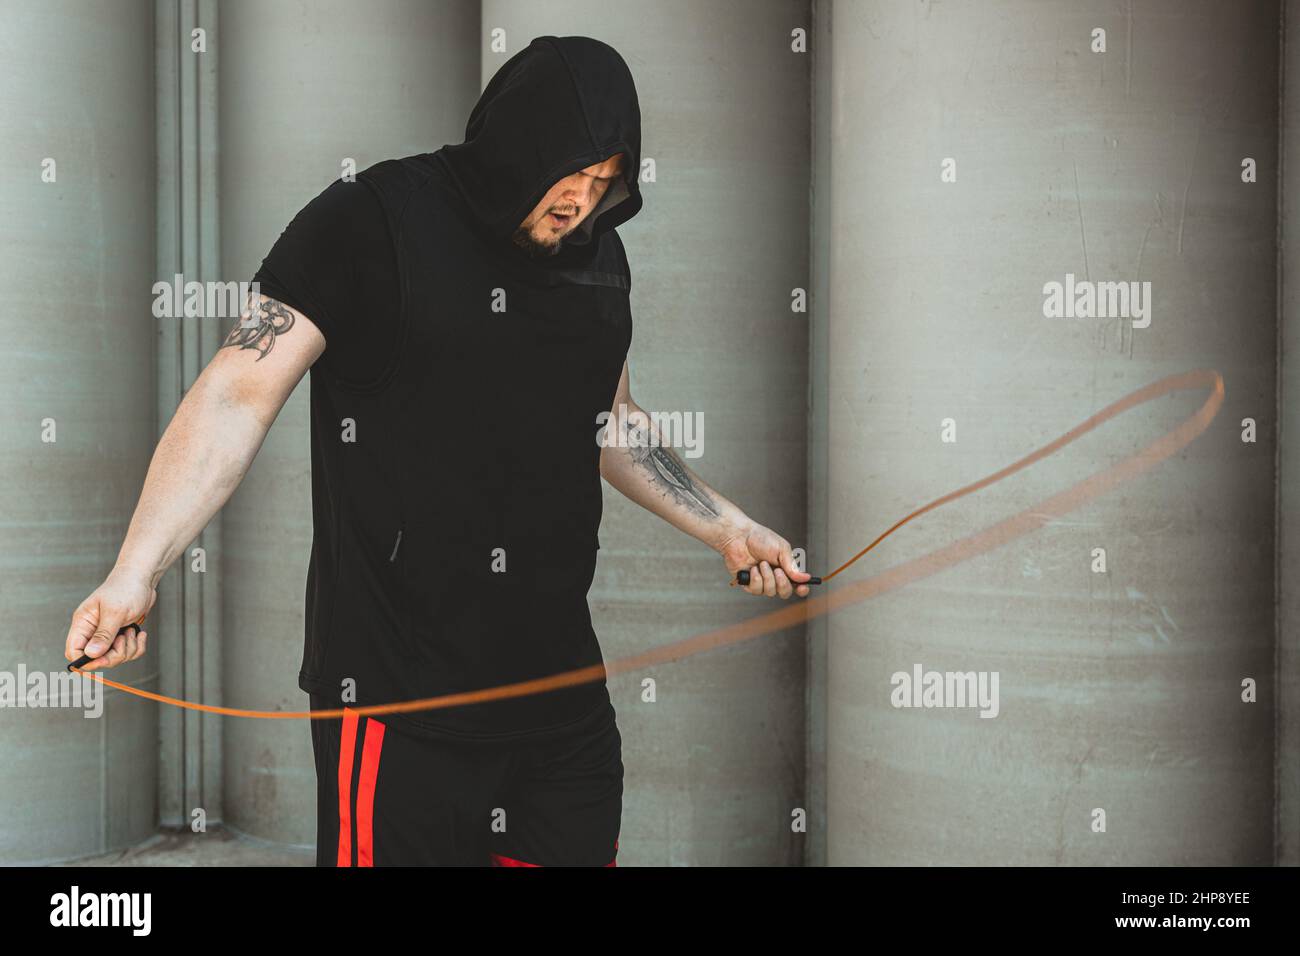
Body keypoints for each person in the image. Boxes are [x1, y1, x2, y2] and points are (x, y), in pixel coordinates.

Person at [63, 34, 811, 867]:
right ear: (520, 144)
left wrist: (728, 528)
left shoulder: (597, 256)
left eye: (606, 183)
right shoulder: (369, 221)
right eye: (571, 174)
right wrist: (136, 572)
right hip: (397, 701)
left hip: (557, 693)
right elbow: (235, 396)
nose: (581, 202)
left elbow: (609, 419)